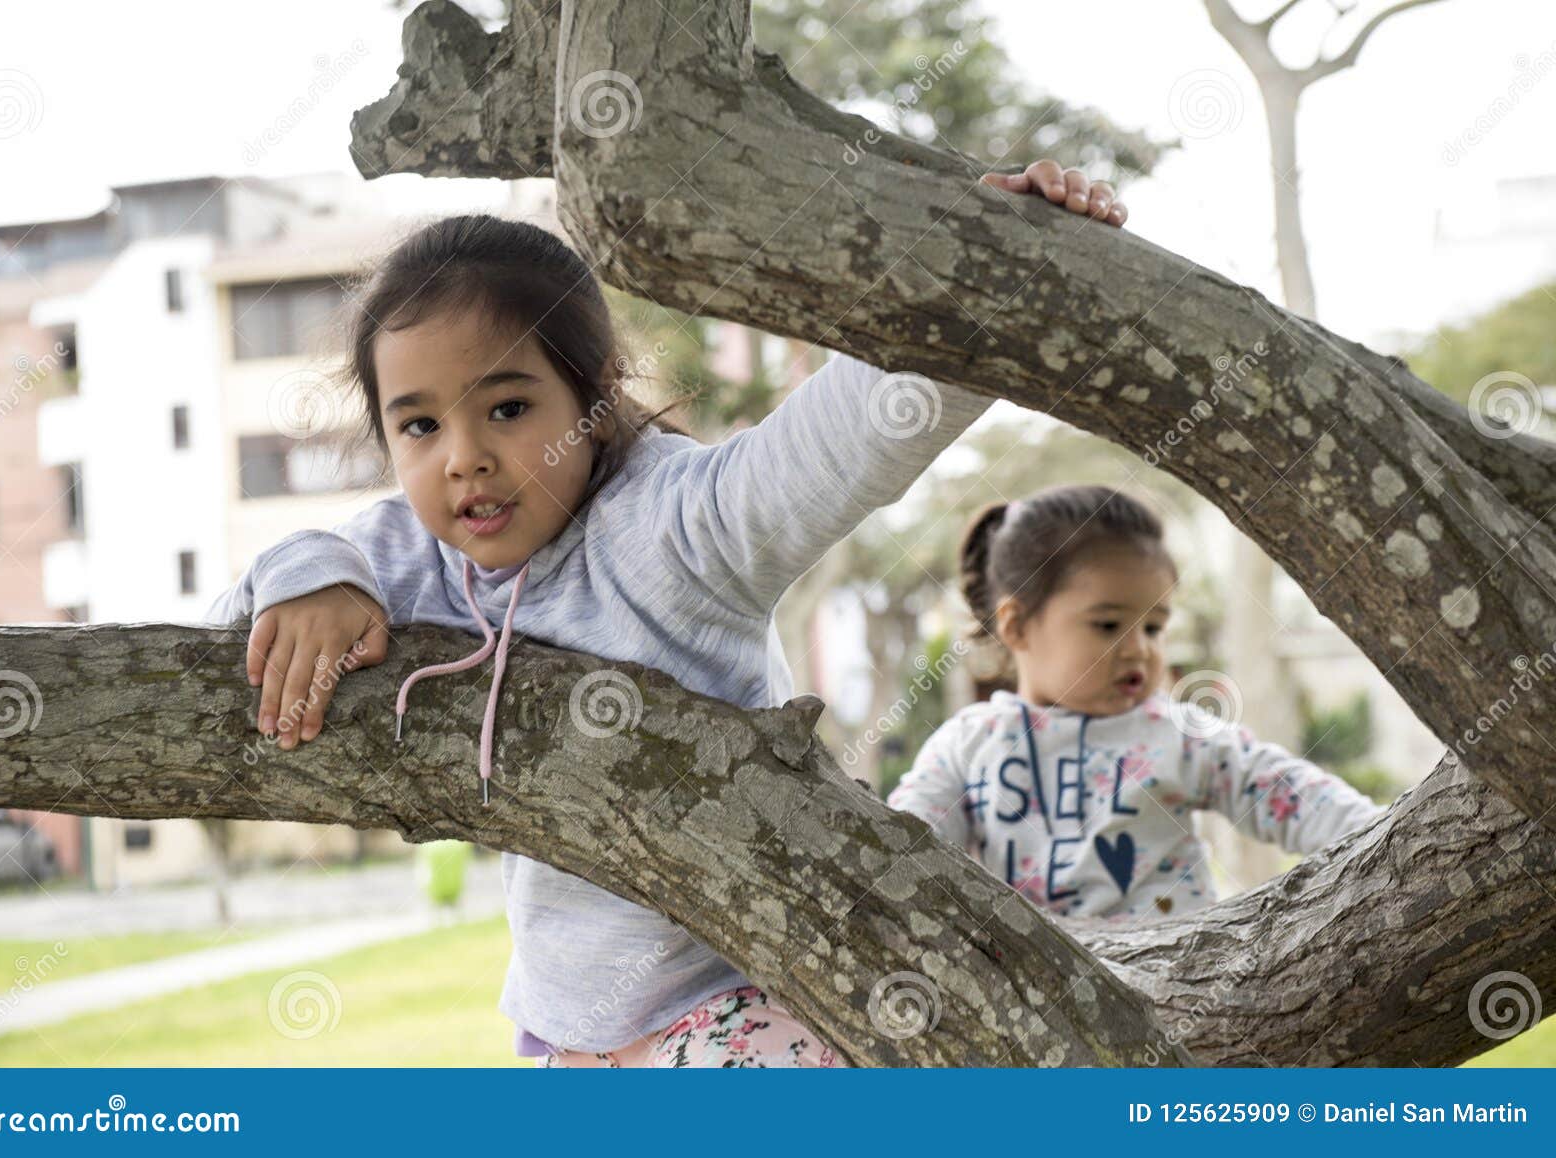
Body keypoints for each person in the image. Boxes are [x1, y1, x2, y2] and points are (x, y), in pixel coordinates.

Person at [206, 161, 1128, 1067]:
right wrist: (306, 576)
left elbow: (856, 431)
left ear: (596, 399)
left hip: (741, 1003)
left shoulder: (681, 527)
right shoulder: (405, 556)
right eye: (419, 426)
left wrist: (993, 268)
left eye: (510, 407)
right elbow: (212, 636)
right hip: (569, 1035)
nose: (464, 458)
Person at [887, 484, 1385, 920]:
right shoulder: (967, 745)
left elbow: (1294, 795)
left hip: (1182, 991)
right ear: (1016, 624)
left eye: (1154, 626)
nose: (1140, 649)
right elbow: (902, 851)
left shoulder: (1179, 734)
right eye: (1107, 625)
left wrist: (1385, 842)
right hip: (1033, 1003)